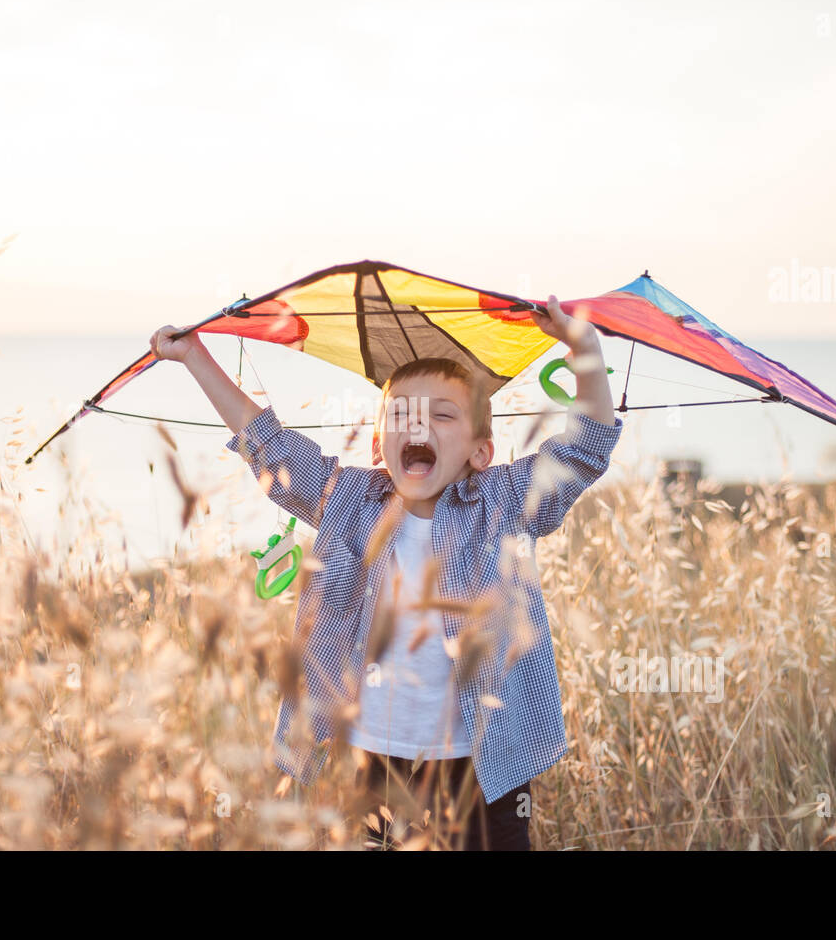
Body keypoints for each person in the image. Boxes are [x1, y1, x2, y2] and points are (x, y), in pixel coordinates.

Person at [150, 295, 622, 850]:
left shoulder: (504, 502)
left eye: (442, 415)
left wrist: (583, 346)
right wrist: (195, 355)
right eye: (401, 415)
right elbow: (267, 446)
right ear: (379, 445)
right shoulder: (349, 499)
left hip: (486, 764)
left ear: (480, 451)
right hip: (375, 758)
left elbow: (584, 450)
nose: (417, 424)